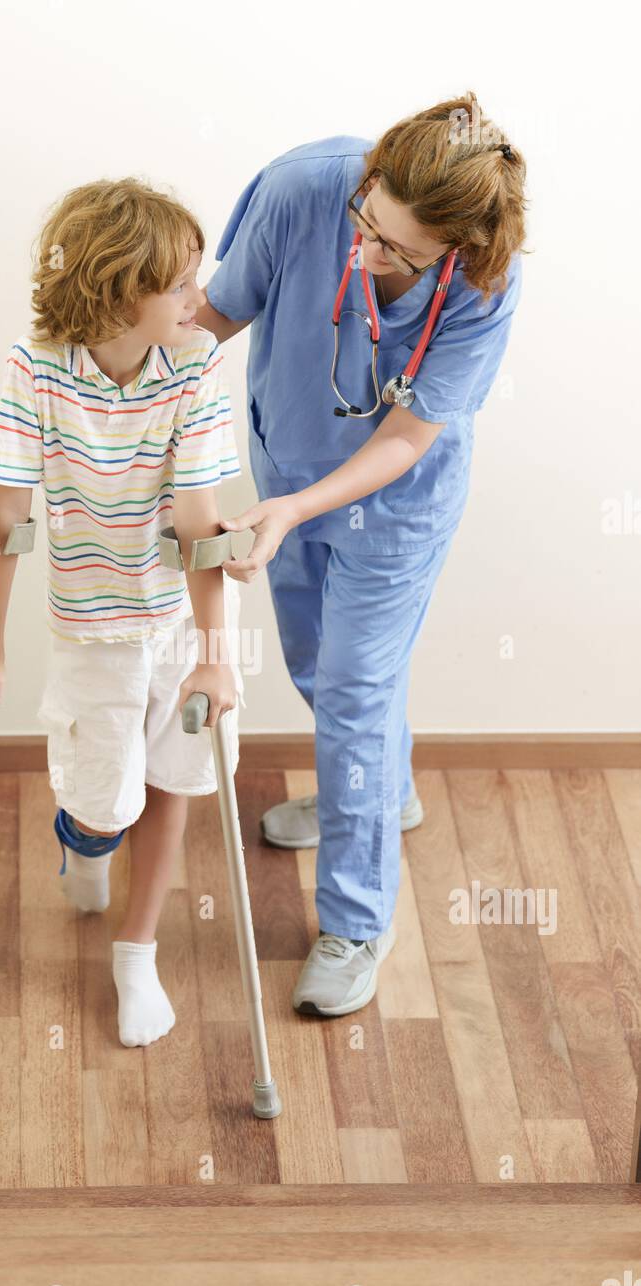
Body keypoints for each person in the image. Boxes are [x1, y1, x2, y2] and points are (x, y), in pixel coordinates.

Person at [195, 92, 528, 1017]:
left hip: (397, 505)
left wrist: (294, 508)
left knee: (354, 691)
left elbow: (405, 438)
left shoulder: (484, 286)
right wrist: (110, 373)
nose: (367, 253)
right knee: (315, 667)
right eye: (367, 222)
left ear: (454, 252)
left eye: (399, 252)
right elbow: (216, 316)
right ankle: (382, 796)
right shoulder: (306, 190)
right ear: (370, 176)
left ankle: (354, 920)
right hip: (286, 466)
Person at [0, 178, 246, 1048]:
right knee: (102, 809)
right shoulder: (36, 364)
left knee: (174, 778)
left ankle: (136, 948)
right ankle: (83, 844)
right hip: (90, 628)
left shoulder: (195, 361)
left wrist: (215, 656)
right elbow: (4, 517)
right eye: (184, 284)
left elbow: (198, 523)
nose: (204, 297)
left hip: (177, 620)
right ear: (123, 293)